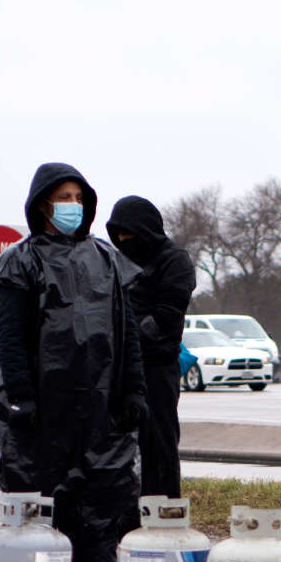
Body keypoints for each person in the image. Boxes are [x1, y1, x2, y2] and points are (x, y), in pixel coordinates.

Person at [0, 162, 147, 562]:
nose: (73, 206)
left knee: (103, 484)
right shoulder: (18, 262)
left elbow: (127, 330)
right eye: (65, 198)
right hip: (43, 398)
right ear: (43, 205)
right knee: (36, 483)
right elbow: (9, 339)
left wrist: (134, 388)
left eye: (79, 198)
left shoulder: (107, 260)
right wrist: (19, 394)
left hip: (100, 396)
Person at [107, 196, 194, 499]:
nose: (123, 242)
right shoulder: (116, 263)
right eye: (118, 237)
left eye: (129, 236)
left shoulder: (175, 261)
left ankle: (162, 506)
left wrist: (125, 337)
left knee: (158, 442)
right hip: (119, 366)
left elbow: (167, 317)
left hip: (156, 366)